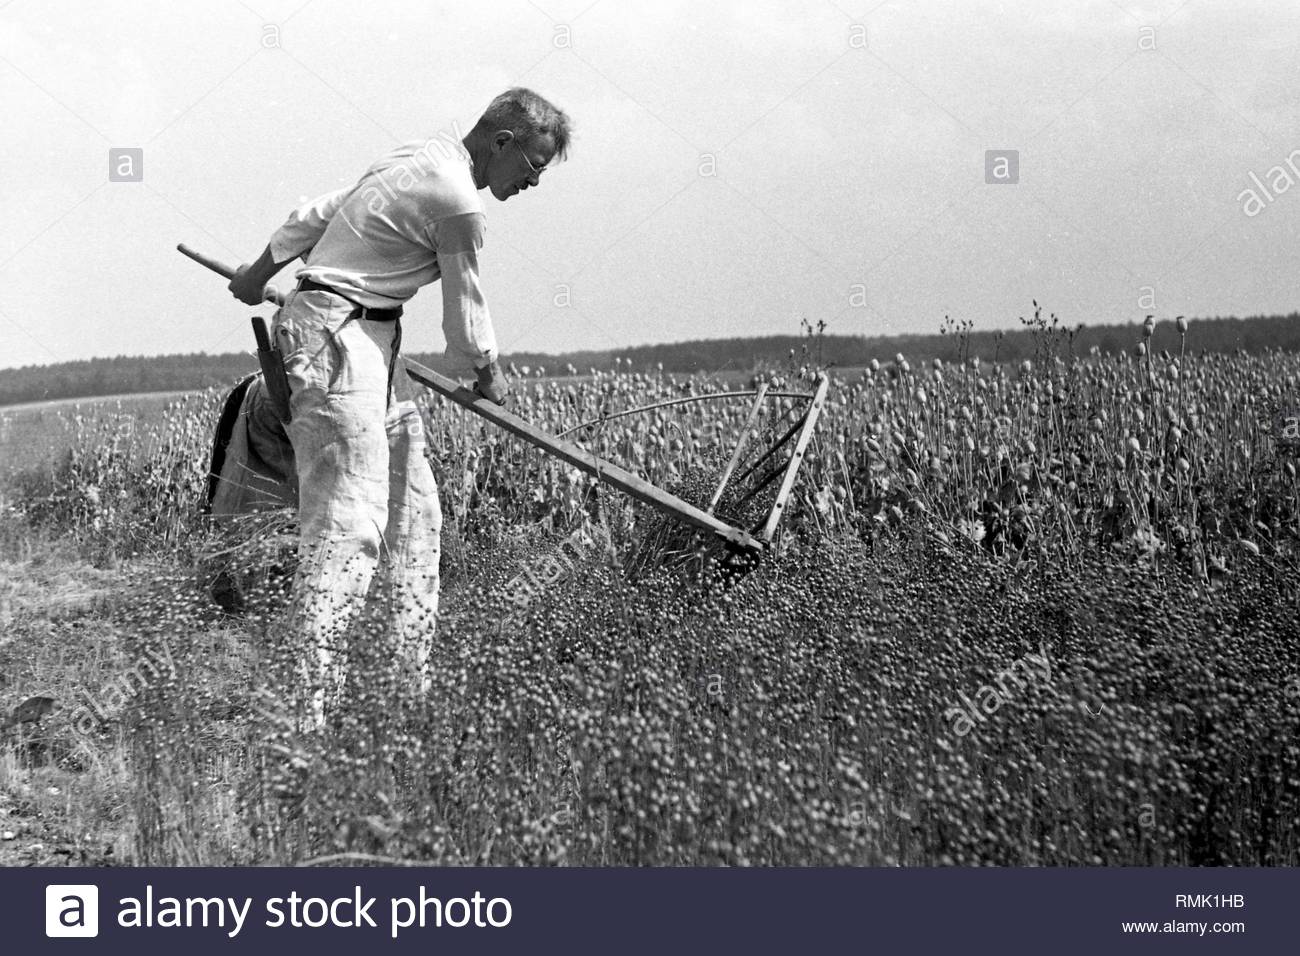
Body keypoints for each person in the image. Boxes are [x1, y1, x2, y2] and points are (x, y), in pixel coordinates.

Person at [222, 88, 572, 725]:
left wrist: (256, 272)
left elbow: (319, 213)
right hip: (335, 341)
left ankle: (404, 702)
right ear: (503, 144)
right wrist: (489, 378)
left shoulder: (420, 155)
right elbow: (465, 316)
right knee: (346, 530)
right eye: (533, 167)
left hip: (370, 340)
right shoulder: (459, 202)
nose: (533, 182)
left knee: (416, 519)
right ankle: (301, 724)